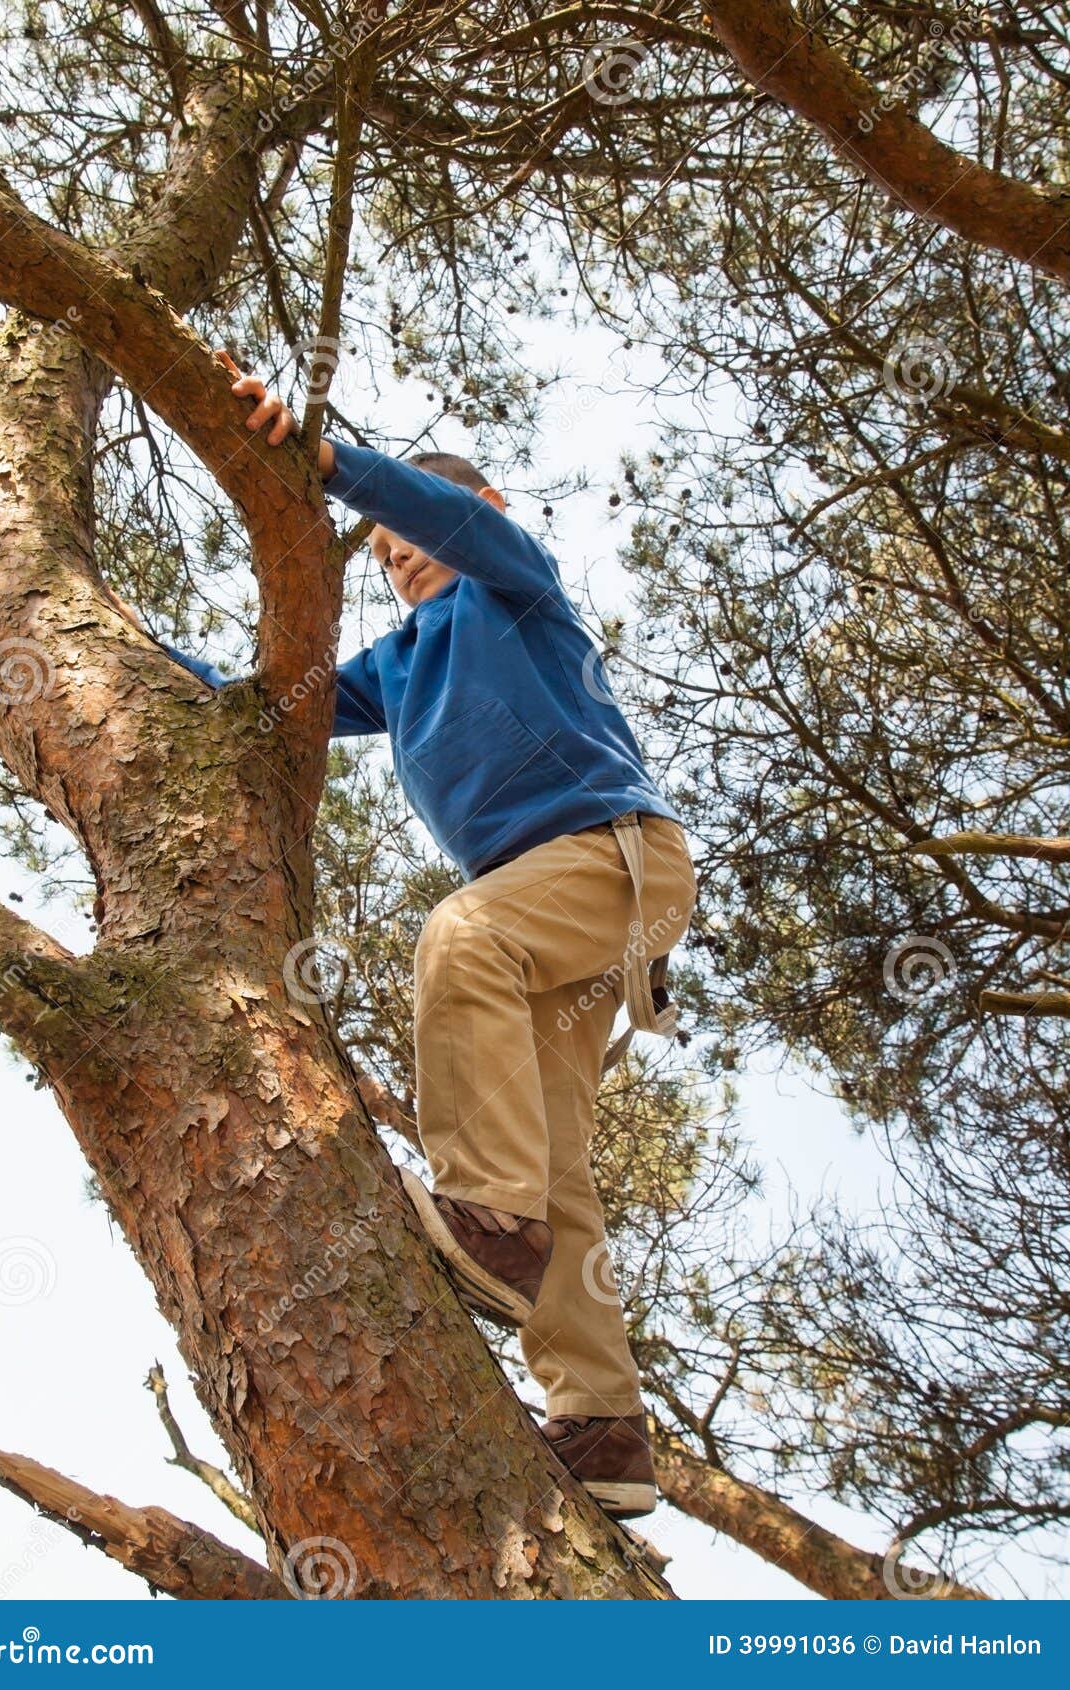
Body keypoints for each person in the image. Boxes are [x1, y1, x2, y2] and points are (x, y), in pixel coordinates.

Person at [147, 355, 697, 1519]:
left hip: (613, 857)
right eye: (387, 562)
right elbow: (265, 701)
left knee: (459, 939)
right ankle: (602, 1420)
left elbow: (439, 509)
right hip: (554, 916)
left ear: (477, 521)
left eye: (411, 543)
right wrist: (142, 657)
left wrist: (332, 463)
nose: (403, 564)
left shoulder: (513, 587)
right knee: (557, 1165)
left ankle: (484, 1215)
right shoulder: (395, 667)